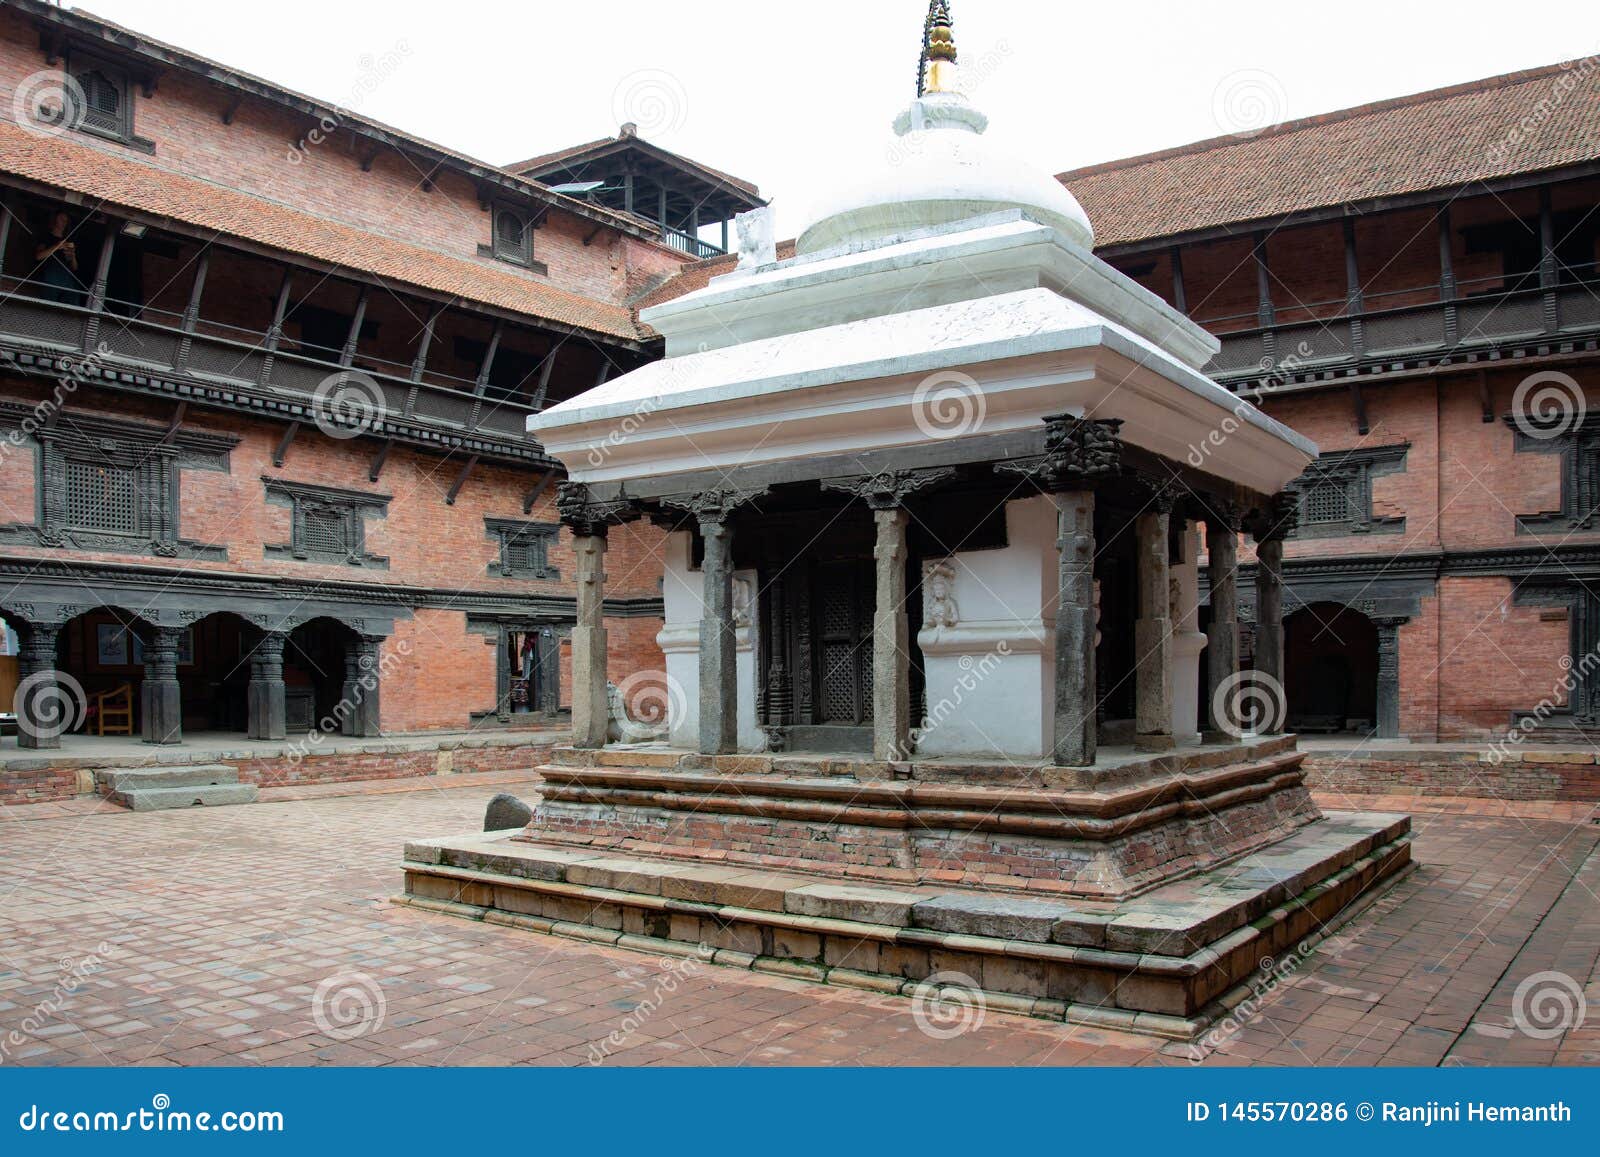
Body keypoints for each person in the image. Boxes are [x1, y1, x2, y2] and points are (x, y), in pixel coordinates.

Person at [33, 211, 84, 305]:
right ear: (55, 220)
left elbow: (74, 267)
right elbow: (38, 256)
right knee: (48, 307)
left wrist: (72, 256)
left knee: (69, 307)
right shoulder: (46, 237)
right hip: (50, 280)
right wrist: (56, 246)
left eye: (66, 220)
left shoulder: (69, 241)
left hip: (67, 283)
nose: (64, 222)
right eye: (61, 219)